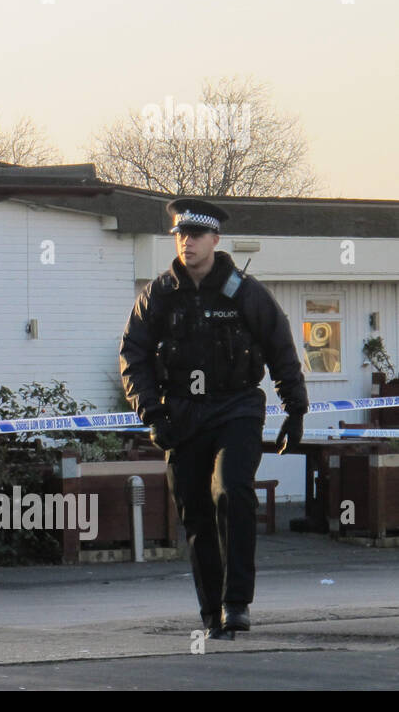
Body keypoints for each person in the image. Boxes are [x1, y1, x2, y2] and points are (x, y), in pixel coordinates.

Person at [119, 198, 308, 639]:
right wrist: (152, 412)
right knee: (195, 512)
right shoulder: (159, 294)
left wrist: (294, 410)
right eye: (181, 234)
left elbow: (281, 350)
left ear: (215, 240)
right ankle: (212, 612)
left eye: (197, 235)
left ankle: (236, 602)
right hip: (182, 414)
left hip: (236, 408)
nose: (187, 242)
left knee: (231, 490)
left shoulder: (245, 292)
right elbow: (133, 356)